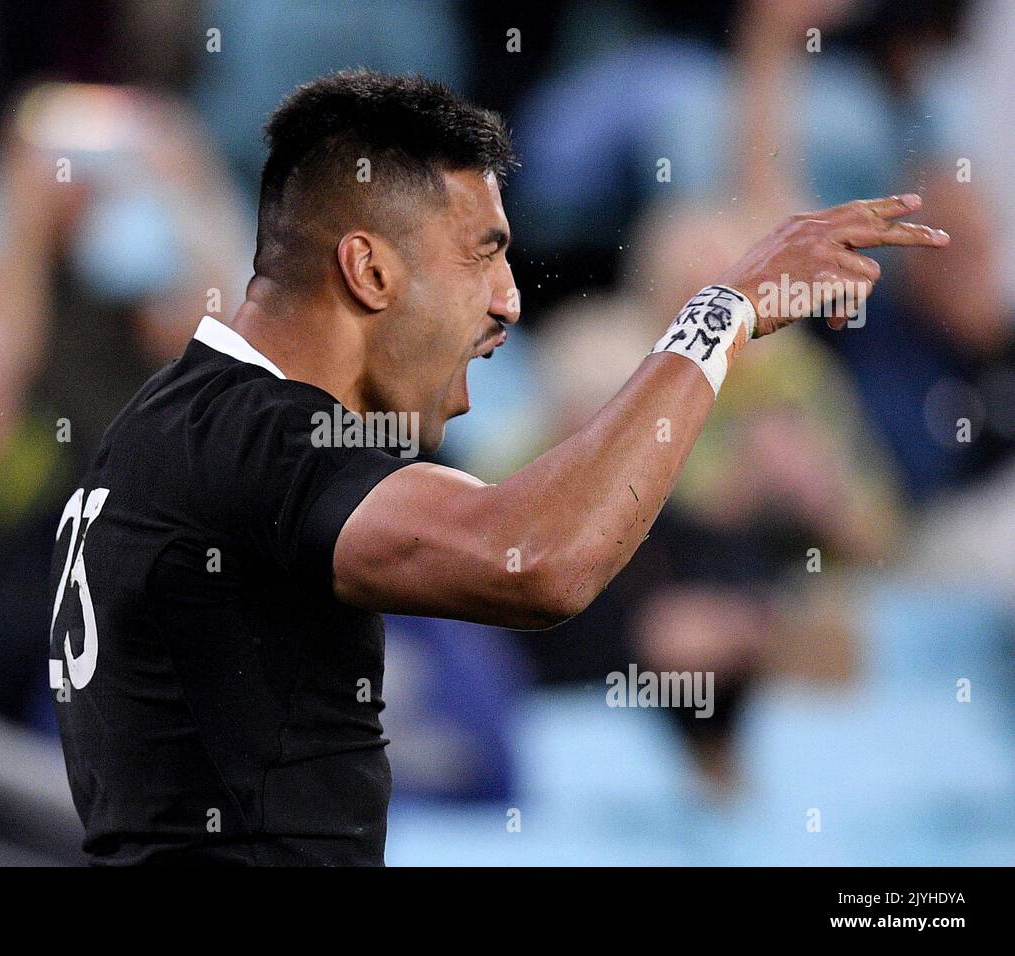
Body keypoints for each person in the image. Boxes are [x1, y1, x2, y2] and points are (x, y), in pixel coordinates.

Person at [48, 69, 949, 865]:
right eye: (484, 253)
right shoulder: (256, 438)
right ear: (367, 270)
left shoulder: (166, 430)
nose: (510, 300)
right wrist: (716, 318)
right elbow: (535, 560)